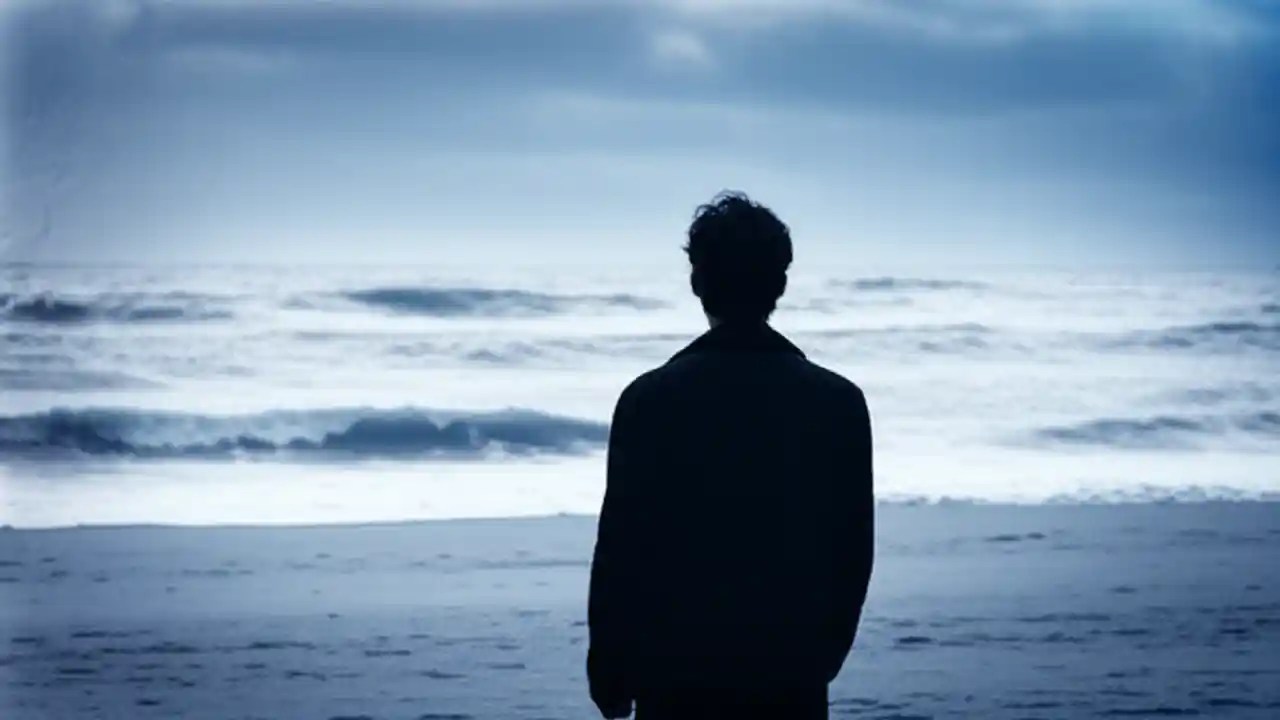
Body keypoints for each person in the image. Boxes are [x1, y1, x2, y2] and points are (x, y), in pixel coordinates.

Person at [587, 192, 875, 719]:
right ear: (780, 285)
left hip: (676, 672)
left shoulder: (650, 399)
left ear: (697, 283)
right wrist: (822, 655)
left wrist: (610, 664)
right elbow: (851, 550)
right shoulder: (837, 402)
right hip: (789, 671)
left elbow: (624, 549)